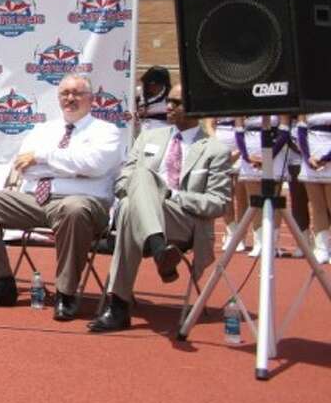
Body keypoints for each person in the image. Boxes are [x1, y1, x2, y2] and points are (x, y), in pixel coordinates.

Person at [0, 74, 123, 321]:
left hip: (82, 201)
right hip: (35, 199)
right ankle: (1, 283)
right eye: (65, 93)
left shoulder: (106, 130)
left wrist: (43, 157)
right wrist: (70, 166)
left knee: (74, 209)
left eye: (77, 93)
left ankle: (66, 294)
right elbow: (24, 167)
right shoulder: (43, 130)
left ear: (91, 99)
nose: (70, 98)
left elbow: (94, 165)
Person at [88, 82, 234, 332]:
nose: (168, 106)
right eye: (168, 101)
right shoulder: (148, 137)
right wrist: (145, 194)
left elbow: (218, 203)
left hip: (183, 219)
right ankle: (159, 250)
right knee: (134, 193)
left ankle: (119, 307)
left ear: (195, 108)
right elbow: (122, 181)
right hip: (139, 215)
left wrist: (172, 195)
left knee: (136, 195)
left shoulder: (215, 150)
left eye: (177, 103)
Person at [234, 114, 294, 257]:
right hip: (250, 151)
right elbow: (238, 130)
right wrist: (247, 156)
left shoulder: (279, 103)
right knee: (254, 201)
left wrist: (269, 156)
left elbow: (285, 130)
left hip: (274, 150)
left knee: (274, 200)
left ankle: (272, 243)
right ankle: (259, 242)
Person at [209, 115, 248, 252]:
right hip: (221, 147)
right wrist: (219, 147)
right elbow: (209, 125)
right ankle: (231, 230)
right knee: (225, 194)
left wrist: (240, 149)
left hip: (241, 145)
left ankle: (241, 234)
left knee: (241, 195)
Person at [297, 113, 331, 263]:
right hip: (311, 155)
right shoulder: (307, 104)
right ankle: (322, 248)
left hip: (328, 153)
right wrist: (307, 157)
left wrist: (326, 158)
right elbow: (301, 131)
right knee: (317, 208)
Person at [135, 66, 171, 133]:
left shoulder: (170, 96)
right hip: (140, 131)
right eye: (149, 83)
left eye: (156, 84)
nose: (152, 87)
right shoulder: (138, 93)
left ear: (164, 83)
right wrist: (138, 114)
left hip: (162, 131)